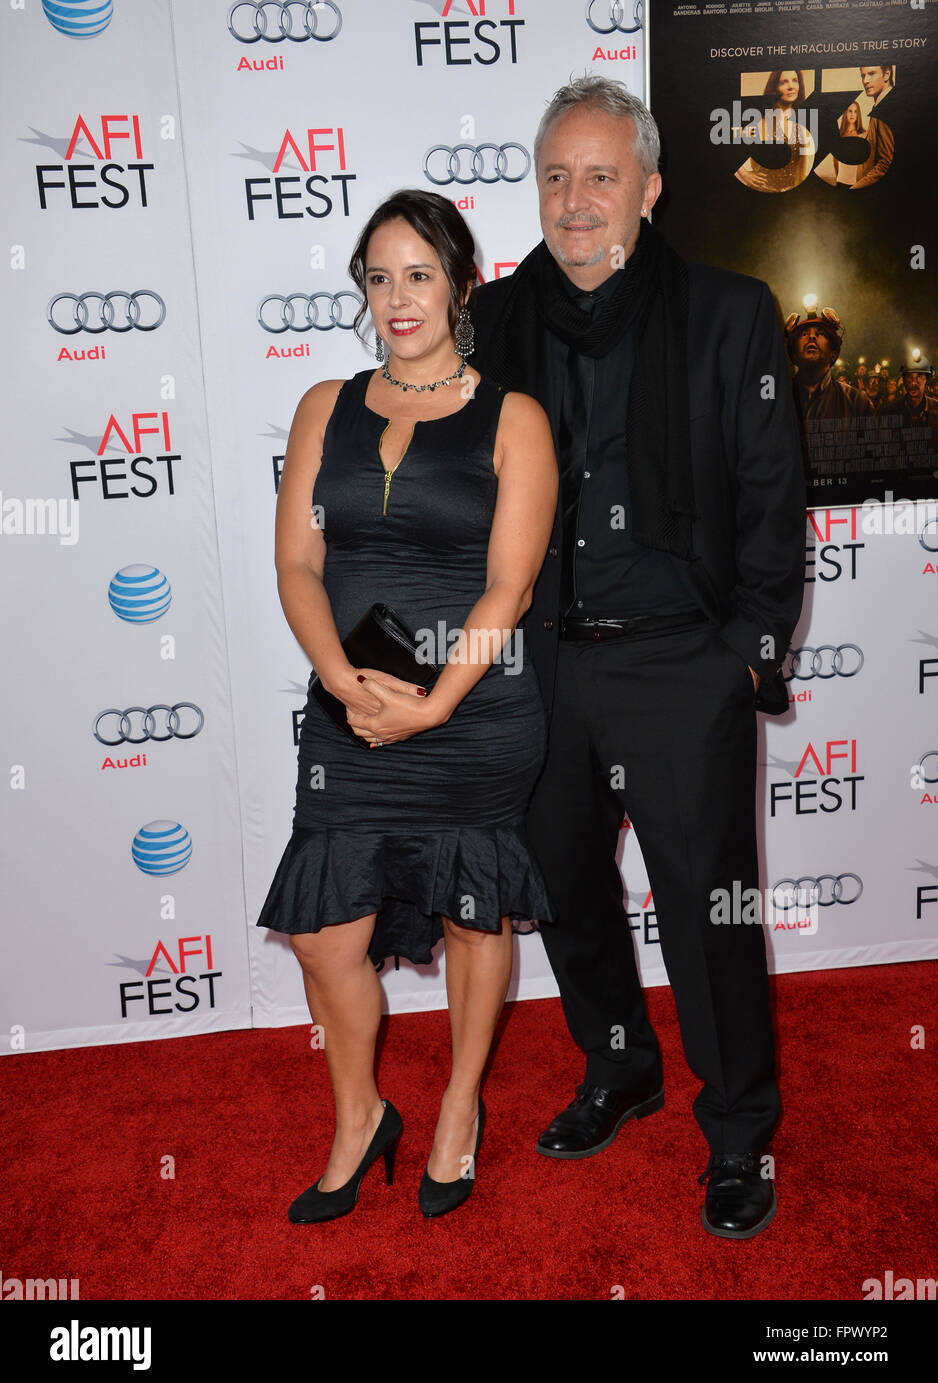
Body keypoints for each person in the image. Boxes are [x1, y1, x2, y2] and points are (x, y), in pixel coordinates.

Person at [471, 77, 806, 1239]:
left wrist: (739, 657)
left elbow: (772, 504)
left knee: (706, 914)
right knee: (565, 891)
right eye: (555, 176)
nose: (574, 202)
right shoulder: (496, 321)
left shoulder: (728, 313)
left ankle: (736, 1134)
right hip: (542, 665)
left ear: (649, 189)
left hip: (680, 666)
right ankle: (618, 1064)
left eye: (599, 175)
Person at [258, 189, 558, 1223]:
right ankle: (358, 1115)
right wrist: (340, 680)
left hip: (471, 713)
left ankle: (458, 1108)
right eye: (377, 277)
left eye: (418, 275)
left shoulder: (513, 418)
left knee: (473, 918)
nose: (396, 298)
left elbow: (508, 587)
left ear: (462, 286)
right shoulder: (321, 407)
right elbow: (298, 560)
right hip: (349, 705)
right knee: (325, 937)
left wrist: (432, 707)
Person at [735, 69, 813, 193]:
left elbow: (802, 165)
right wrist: (743, 174)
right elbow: (725, 143)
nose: (791, 86)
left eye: (794, 80)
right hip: (763, 192)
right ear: (774, 88)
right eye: (784, 82)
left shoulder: (802, 120)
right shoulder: (759, 117)